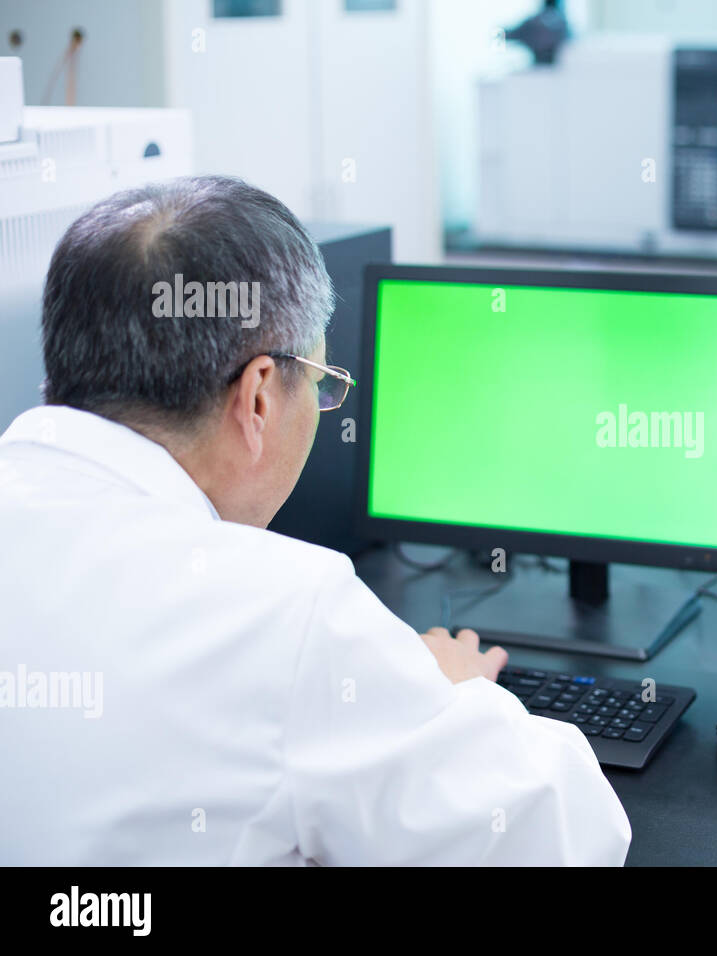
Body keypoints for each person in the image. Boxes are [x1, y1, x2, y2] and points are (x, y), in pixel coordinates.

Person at [0, 176, 631, 865]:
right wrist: (451, 698)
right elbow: (565, 834)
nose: (326, 412)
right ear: (260, 397)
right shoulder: (284, 612)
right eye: (324, 386)